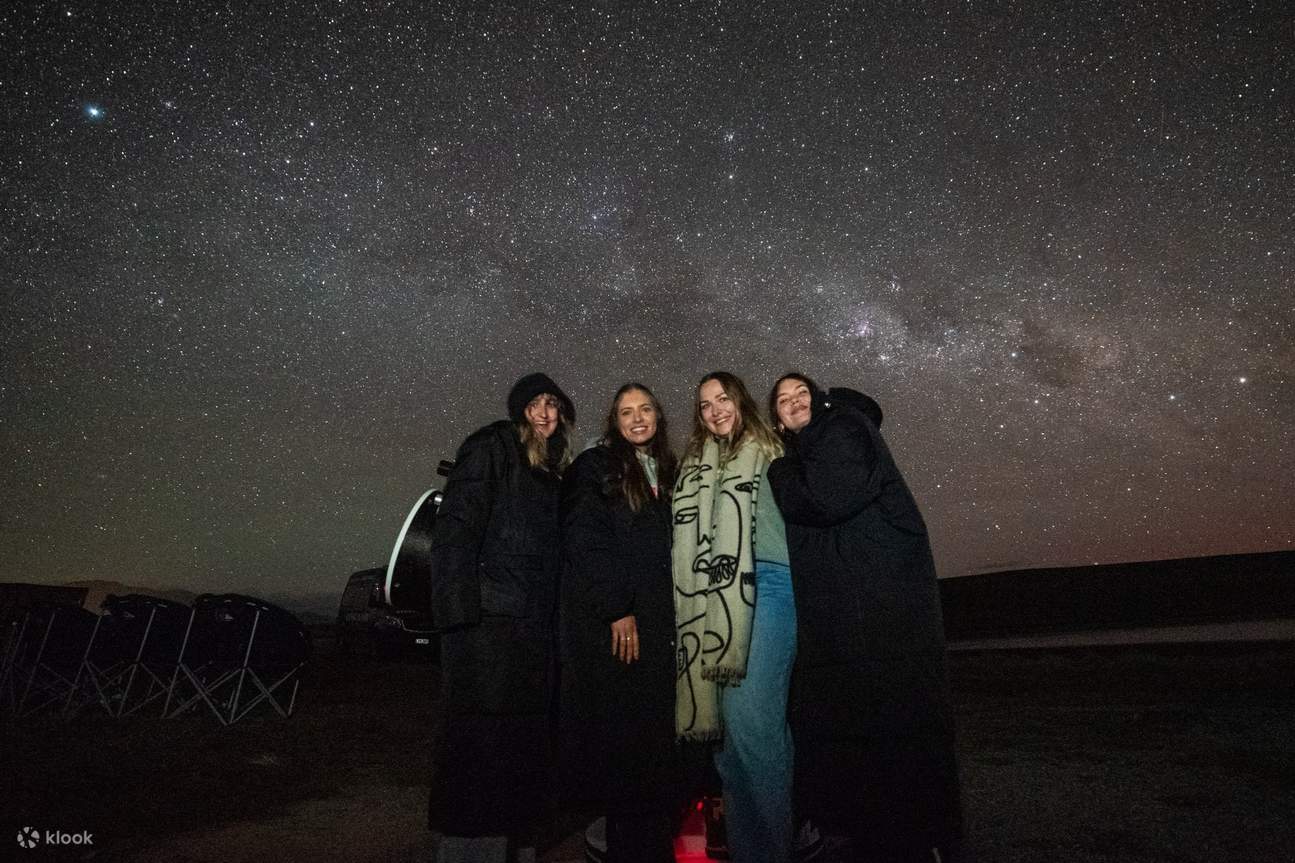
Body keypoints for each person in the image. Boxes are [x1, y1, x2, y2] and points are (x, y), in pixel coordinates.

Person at [766, 373, 964, 863]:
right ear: (777, 419)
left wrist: (777, 474)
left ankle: (921, 842)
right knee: (865, 736)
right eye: (782, 401)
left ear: (820, 398)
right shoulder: (810, 449)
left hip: (881, 611)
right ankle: (885, 836)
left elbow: (824, 501)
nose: (793, 403)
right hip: (856, 609)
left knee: (896, 730)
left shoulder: (843, 429)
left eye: (800, 393)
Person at [426, 372, 576, 863]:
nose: (545, 412)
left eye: (553, 403)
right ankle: (469, 852)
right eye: (535, 403)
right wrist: (457, 619)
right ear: (519, 411)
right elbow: (456, 529)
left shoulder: (553, 470)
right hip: (487, 626)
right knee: (479, 747)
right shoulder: (491, 446)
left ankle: (519, 847)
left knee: (523, 750)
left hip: (533, 629)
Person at [673, 371, 795, 863]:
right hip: (714, 600)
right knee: (727, 742)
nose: (715, 409)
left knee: (755, 727)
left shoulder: (772, 450)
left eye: (723, 398)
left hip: (768, 585)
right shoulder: (698, 467)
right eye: (704, 405)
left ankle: (773, 852)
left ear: (741, 400)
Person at [560, 382, 681, 863]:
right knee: (626, 742)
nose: (637, 419)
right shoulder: (597, 466)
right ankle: (628, 847)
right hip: (623, 623)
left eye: (646, 409)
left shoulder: (670, 470)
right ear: (614, 420)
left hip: (664, 622)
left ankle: (653, 844)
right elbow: (586, 538)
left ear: (658, 416)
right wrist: (616, 607)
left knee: (656, 742)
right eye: (626, 411)